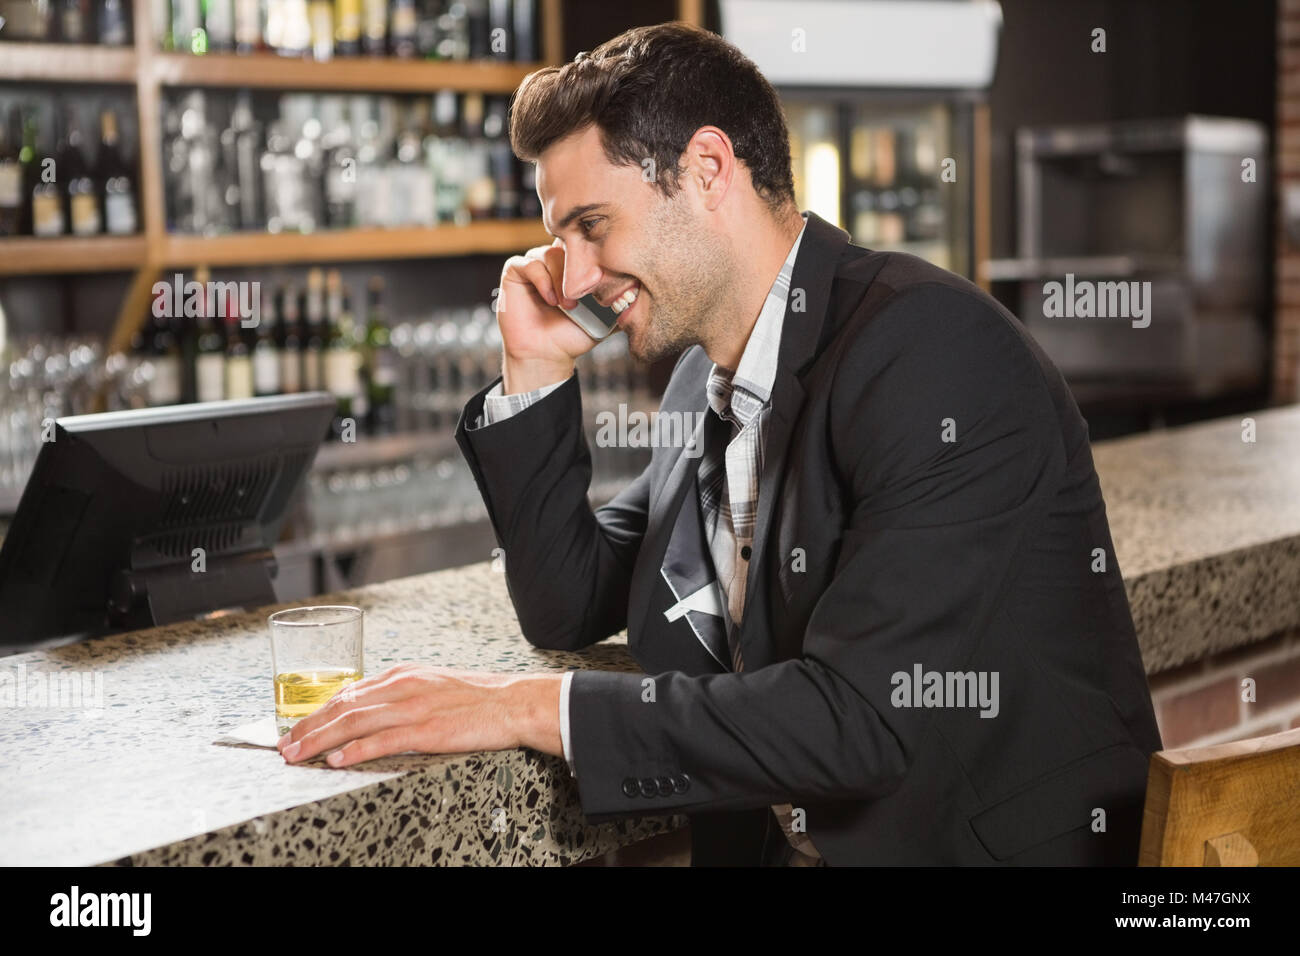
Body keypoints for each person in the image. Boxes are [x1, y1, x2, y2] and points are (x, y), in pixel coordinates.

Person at [279, 22, 1163, 866]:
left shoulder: (932, 350)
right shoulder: (704, 381)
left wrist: (525, 707)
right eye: (559, 238)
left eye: (591, 225)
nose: (573, 278)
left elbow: (860, 720)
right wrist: (535, 370)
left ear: (707, 170)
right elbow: (569, 601)